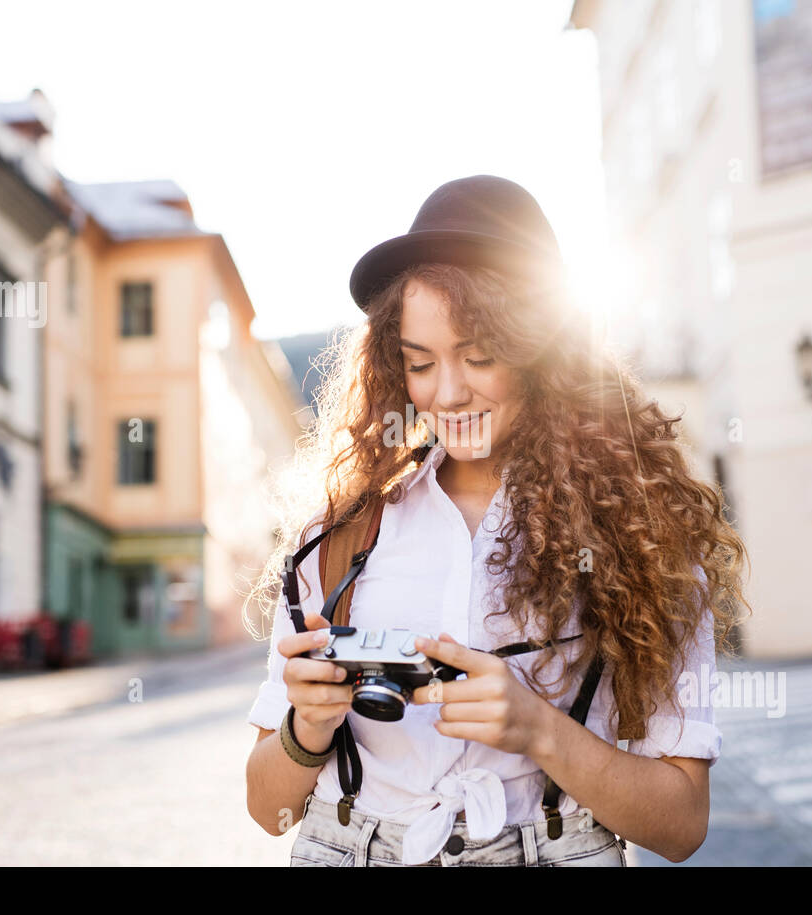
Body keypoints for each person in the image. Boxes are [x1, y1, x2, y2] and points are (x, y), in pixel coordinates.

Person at [243, 174, 749, 866]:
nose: (448, 393)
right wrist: (308, 726)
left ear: (543, 352)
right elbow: (268, 811)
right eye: (419, 364)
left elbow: (681, 824)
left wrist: (539, 730)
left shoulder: (638, 540)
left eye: (479, 356)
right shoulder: (337, 543)